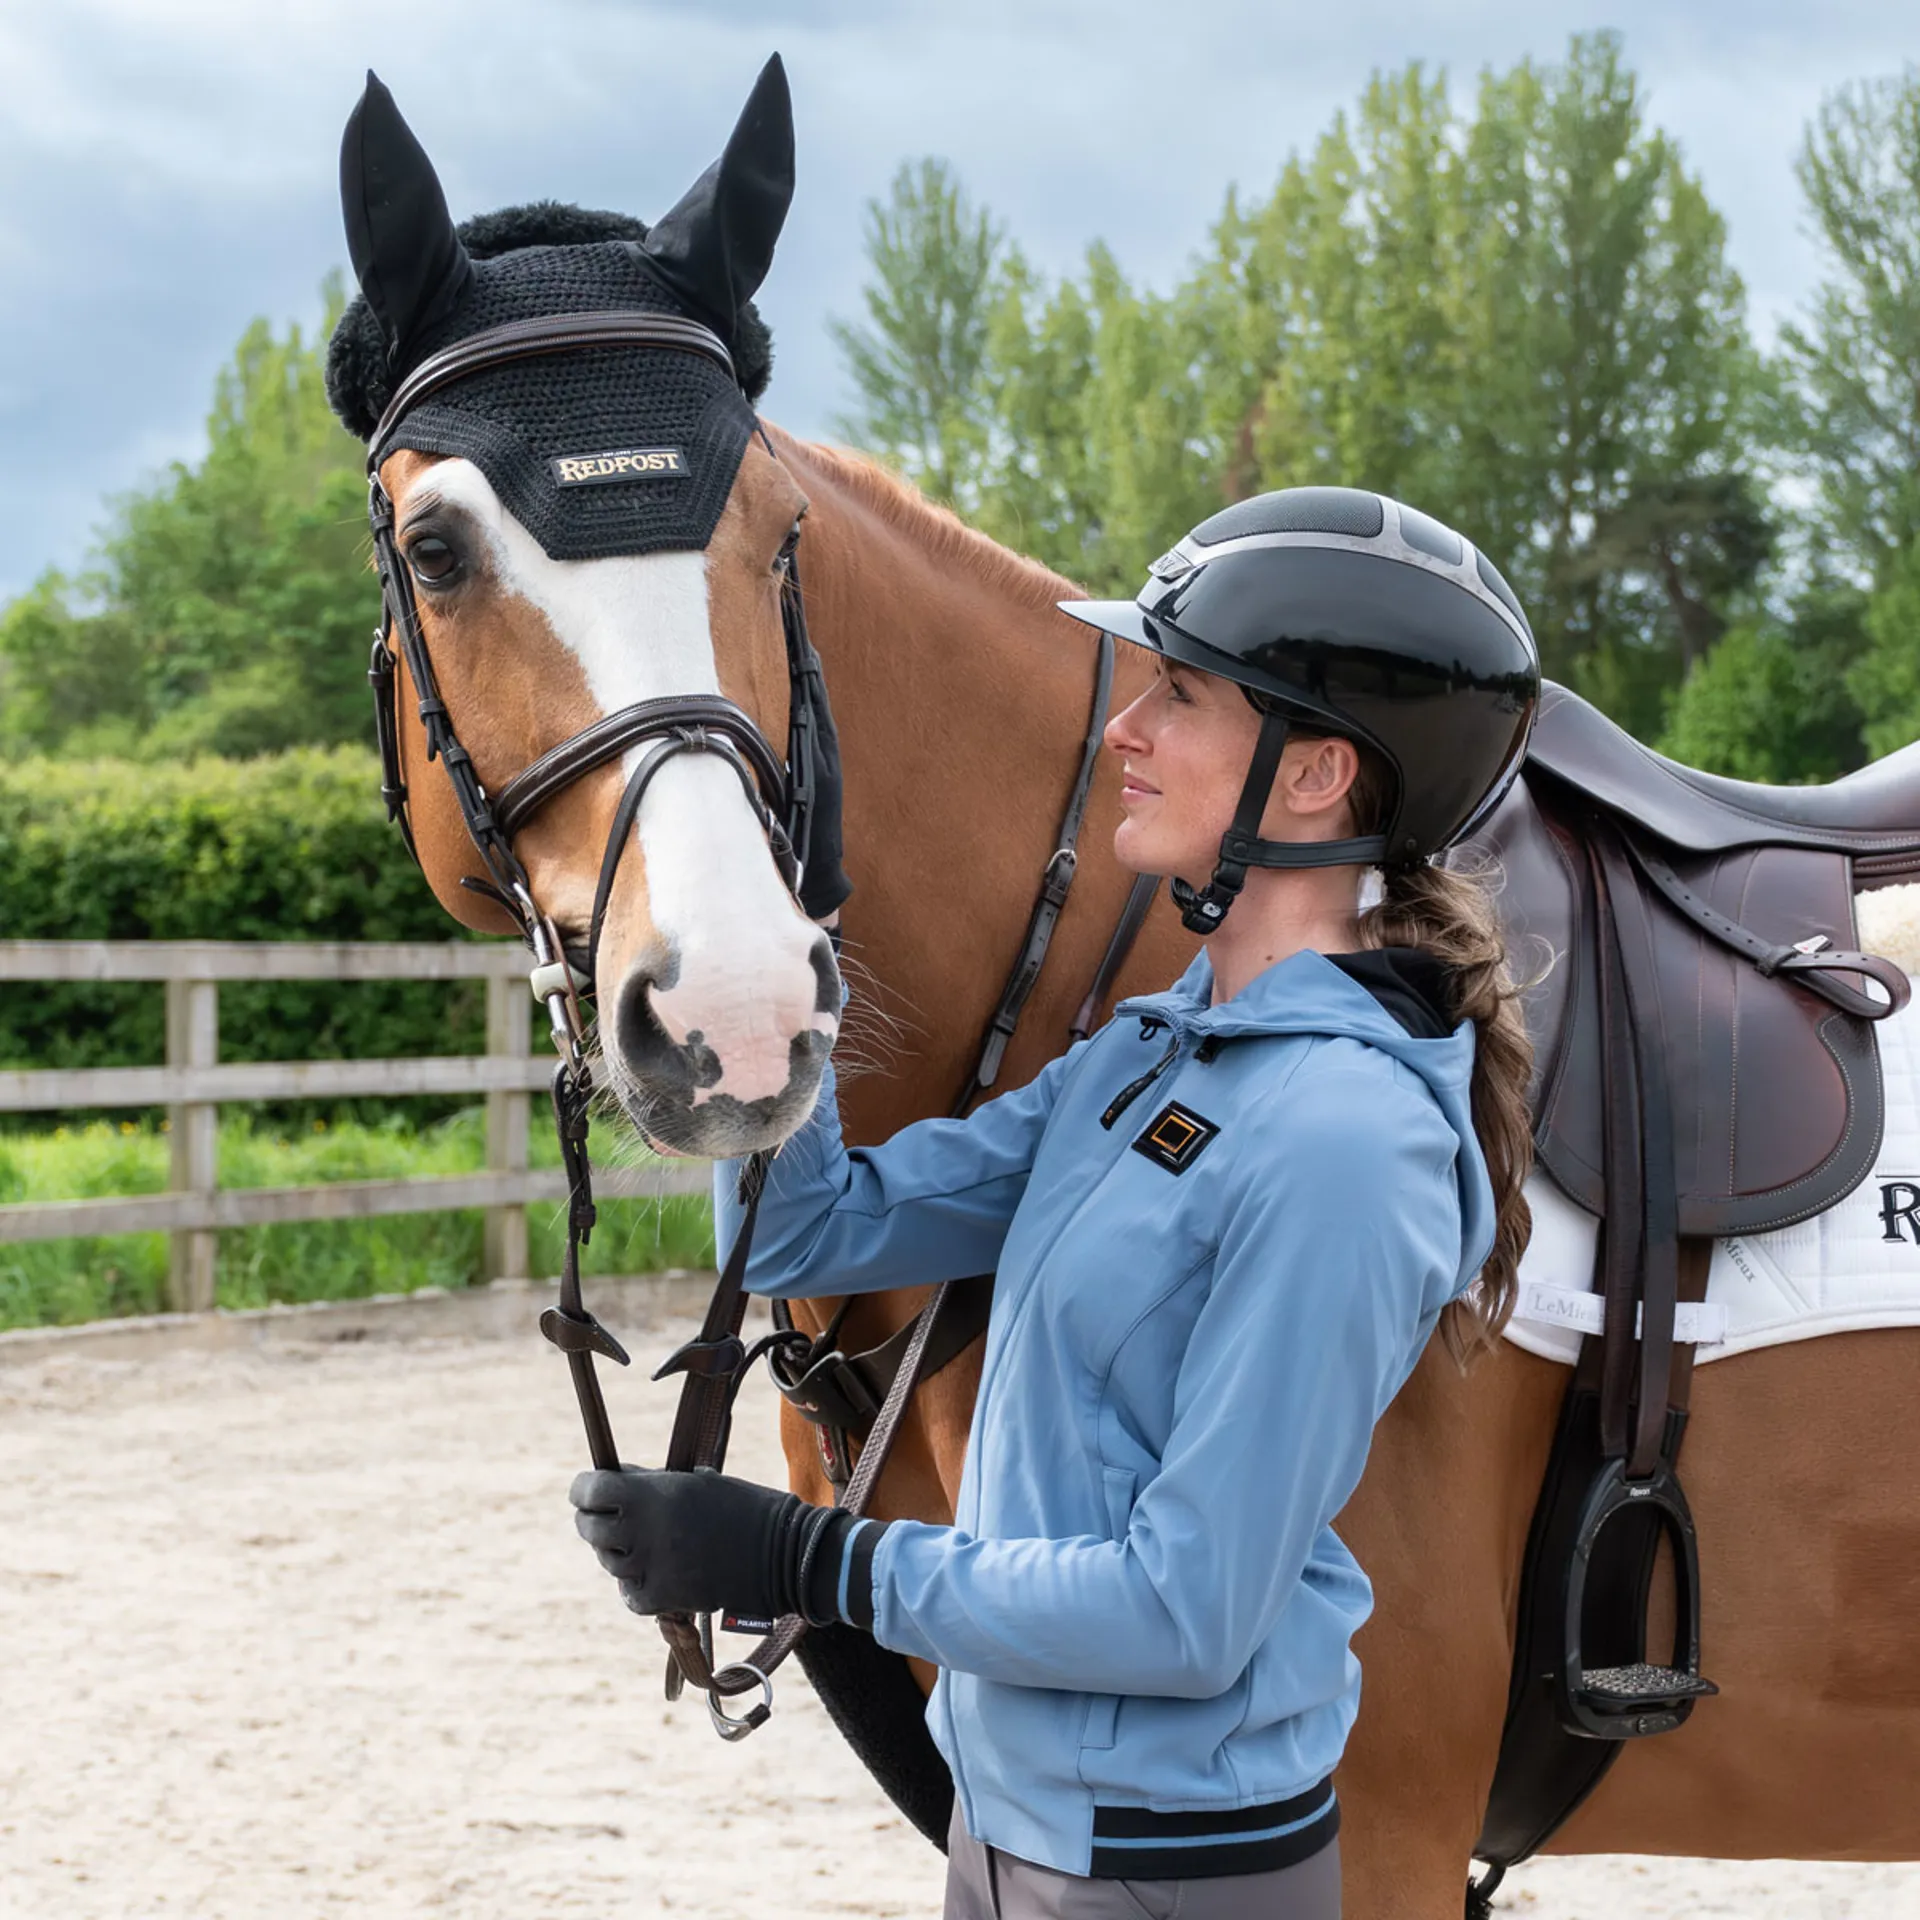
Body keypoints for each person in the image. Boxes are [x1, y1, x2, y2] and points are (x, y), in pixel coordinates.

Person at [571, 486, 1540, 1918]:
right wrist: (785, 971)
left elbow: (1187, 1608)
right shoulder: (1151, 1056)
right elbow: (806, 1233)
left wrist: (809, 1559)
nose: (1124, 730)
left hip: (1167, 1871)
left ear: (1315, 777)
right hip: (1014, 1826)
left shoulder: (1346, 1144)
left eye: (1182, 695)